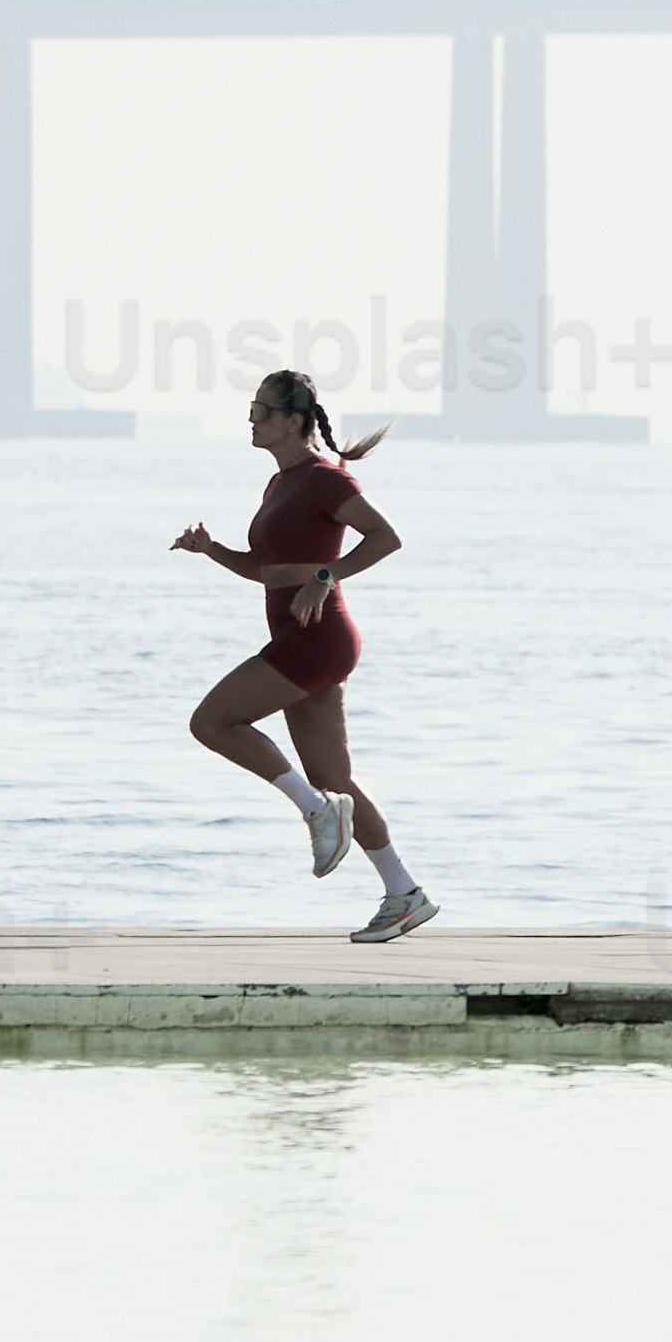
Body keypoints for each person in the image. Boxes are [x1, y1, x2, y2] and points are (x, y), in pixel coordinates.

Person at [178, 369, 436, 939]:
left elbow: (385, 538)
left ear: (293, 421)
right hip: (301, 634)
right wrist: (212, 549)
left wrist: (326, 575)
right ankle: (404, 892)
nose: (251, 419)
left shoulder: (323, 479)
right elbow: (266, 571)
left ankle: (316, 811)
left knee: (213, 722)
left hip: (318, 638)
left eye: (260, 410)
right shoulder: (280, 484)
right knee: (334, 776)